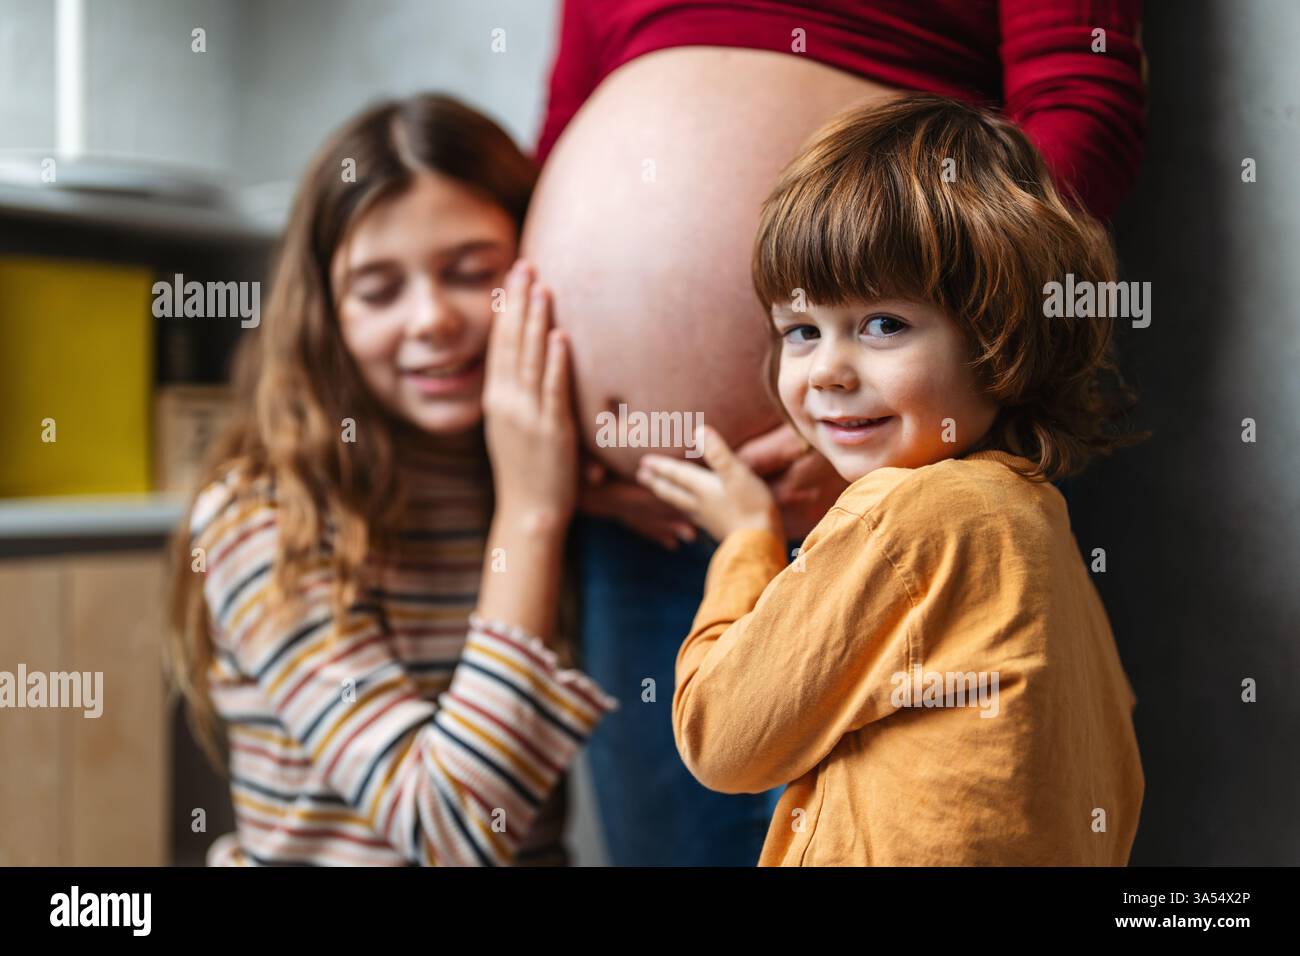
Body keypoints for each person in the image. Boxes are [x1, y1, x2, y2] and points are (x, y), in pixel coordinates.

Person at [523, 0, 1147, 865]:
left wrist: (751, 538)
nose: (823, 373)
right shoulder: (1028, 525)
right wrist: (562, 446)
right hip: (645, 520)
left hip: (778, 527)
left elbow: (717, 733)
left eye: (885, 325)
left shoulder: (909, 523)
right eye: (797, 331)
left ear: (999, 325)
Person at [166, 94, 615, 866]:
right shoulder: (263, 516)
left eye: (475, 273)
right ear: (327, 312)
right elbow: (450, 831)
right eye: (378, 290)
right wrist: (533, 516)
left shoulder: (536, 475)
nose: (431, 319)